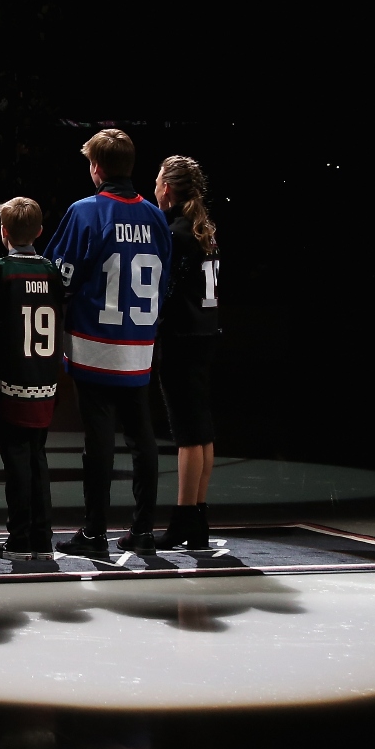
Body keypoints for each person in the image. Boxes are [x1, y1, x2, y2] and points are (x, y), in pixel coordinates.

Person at [44, 129, 171, 557]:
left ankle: (95, 532)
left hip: (95, 344)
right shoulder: (155, 217)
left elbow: (58, 276)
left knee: (98, 441)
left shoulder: (85, 212)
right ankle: (144, 530)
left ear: (97, 167)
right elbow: (164, 283)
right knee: (143, 438)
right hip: (140, 347)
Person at [0, 197, 64, 561]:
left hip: (12, 380)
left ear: (4, 233)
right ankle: (43, 539)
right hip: (46, 380)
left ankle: (18, 538)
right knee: (37, 458)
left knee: (15, 460)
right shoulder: (51, 270)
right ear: (40, 231)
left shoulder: (0, 270)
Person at [152, 156, 221, 549]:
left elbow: (170, 291)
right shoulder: (205, 229)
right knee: (201, 429)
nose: (156, 188)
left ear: (169, 188)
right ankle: (198, 516)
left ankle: (183, 519)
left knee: (187, 434)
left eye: (159, 182)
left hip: (183, 336)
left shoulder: (177, 233)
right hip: (206, 334)